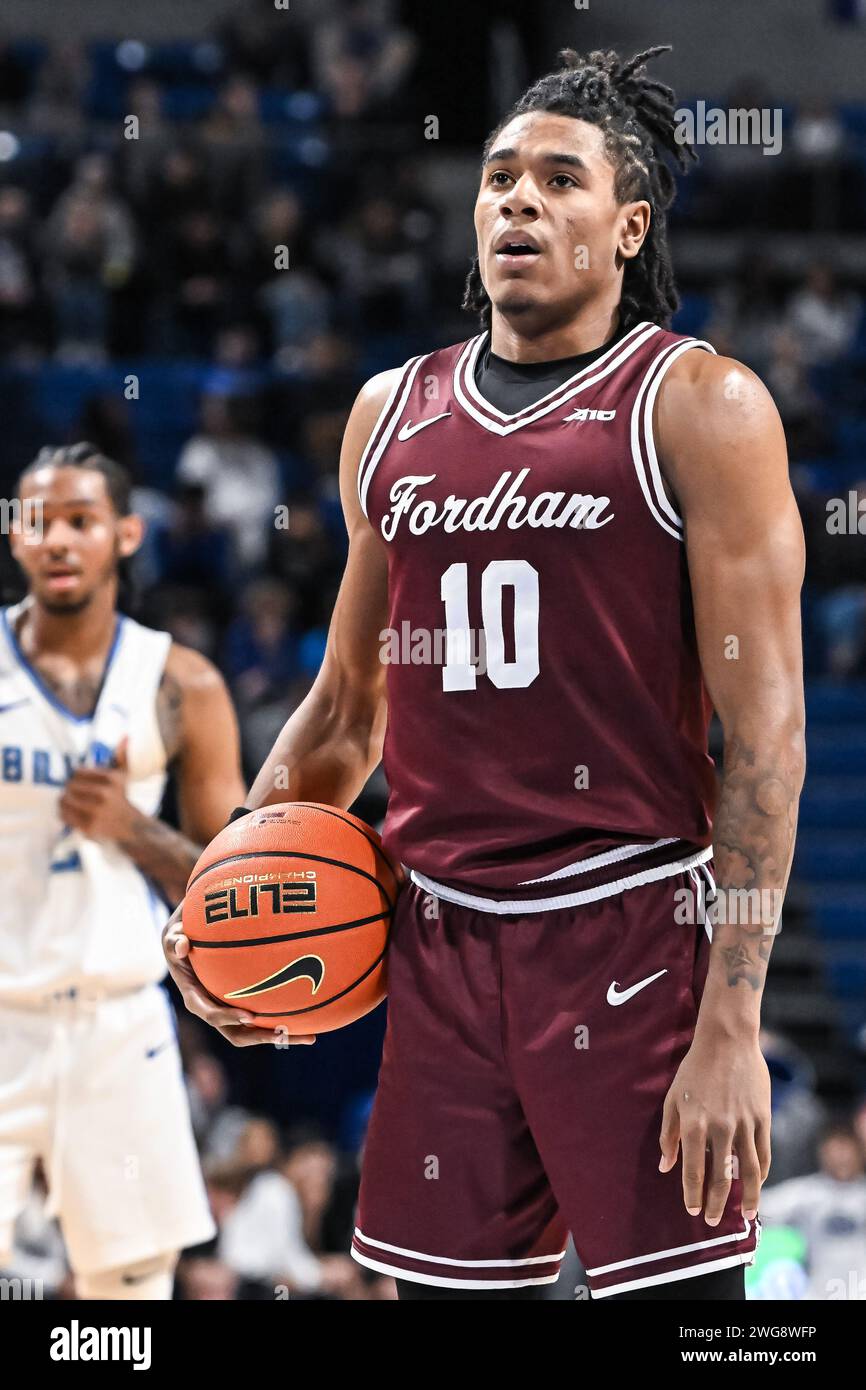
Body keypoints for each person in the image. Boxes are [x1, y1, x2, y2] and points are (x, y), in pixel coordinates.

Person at [165, 45, 806, 1301]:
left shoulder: (697, 406)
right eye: (498, 176)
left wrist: (732, 1020)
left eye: (558, 179)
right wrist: (221, 889)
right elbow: (348, 711)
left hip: (630, 937)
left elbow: (767, 739)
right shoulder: (389, 412)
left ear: (627, 225)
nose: (516, 199)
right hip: (438, 943)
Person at [0, 442, 245, 1298]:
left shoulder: (184, 682)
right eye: (38, 521)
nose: (57, 540)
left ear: (127, 534)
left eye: (81, 520)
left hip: (119, 1024)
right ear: (15, 535)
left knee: (131, 1293)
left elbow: (233, 892)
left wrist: (132, 828)